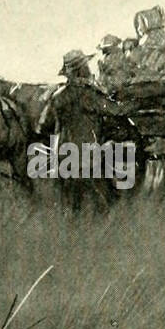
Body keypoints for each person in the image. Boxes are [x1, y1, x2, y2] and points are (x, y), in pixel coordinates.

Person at [38, 50, 134, 210]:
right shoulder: (90, 95)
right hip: (88, 157)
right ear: (83, 70)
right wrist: (136, 103)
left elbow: (42, 127)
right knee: (105, 204)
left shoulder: (57, 96)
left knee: (70, 207)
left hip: (62, 158)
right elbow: (116, 110)